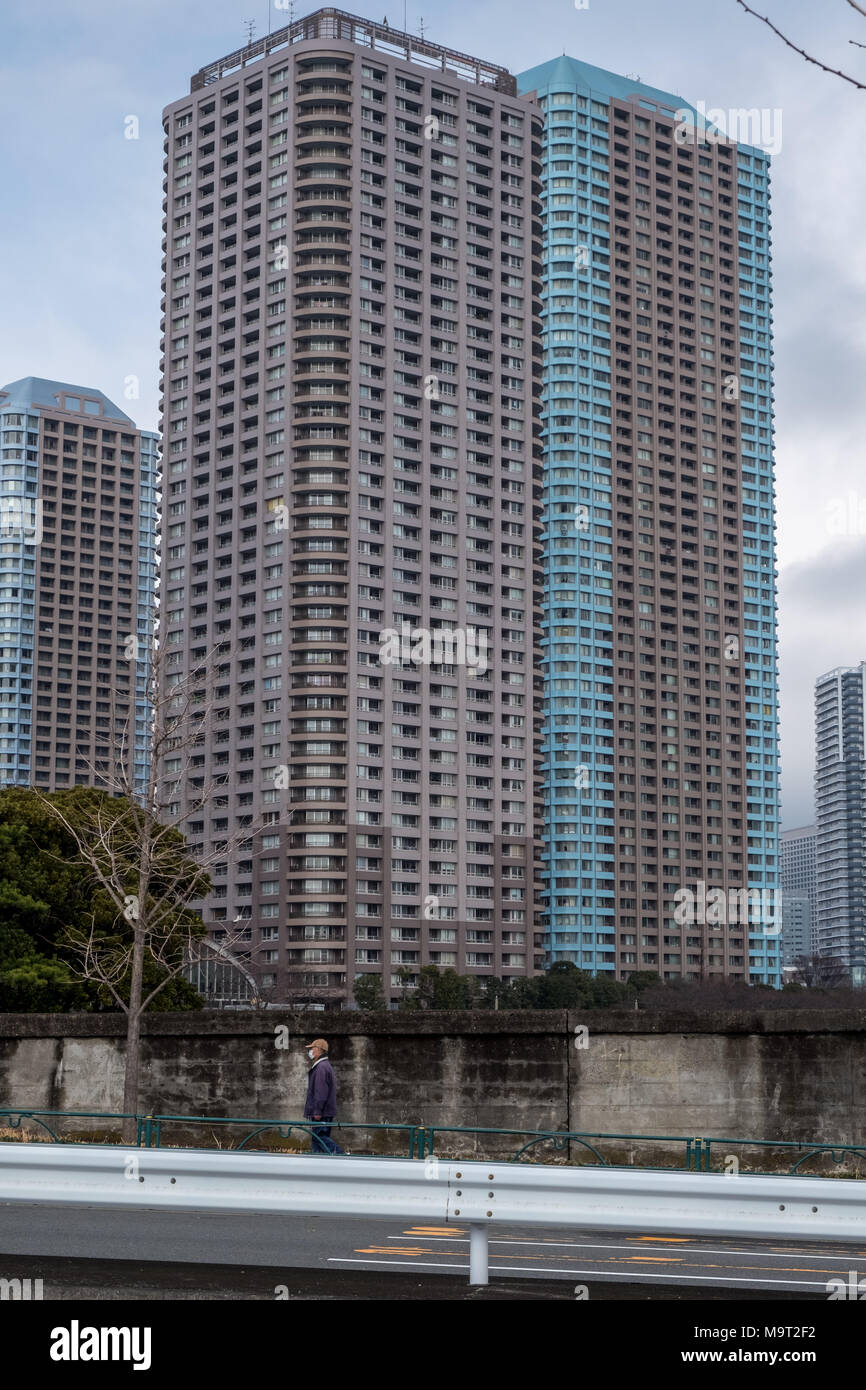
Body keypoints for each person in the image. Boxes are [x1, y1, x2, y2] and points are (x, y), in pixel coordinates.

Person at [303, 1038, 344, 1155]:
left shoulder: (321, 1068)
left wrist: (317, 1111)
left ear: (319, 1050)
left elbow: (321, 1092)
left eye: (312, 1048)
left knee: (320, 1137)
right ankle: (317, 1162)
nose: (310, 1051)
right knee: (318, 1138)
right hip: (324, 1112)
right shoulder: (324, 1066)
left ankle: (341, 1156)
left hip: (321, 1113)